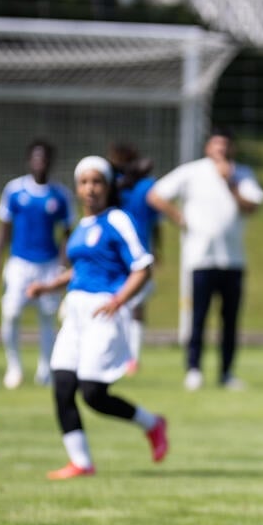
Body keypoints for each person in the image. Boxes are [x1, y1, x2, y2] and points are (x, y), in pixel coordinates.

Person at [25, 156, 168, 480]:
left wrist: (119, 299)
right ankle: (81, 462)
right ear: (77, 188)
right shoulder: (82, 227)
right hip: (75, 313)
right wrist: (48, 286)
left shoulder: (117, 219)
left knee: (93, 394)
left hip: (104, 310)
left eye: (97, 182)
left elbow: (142, 267)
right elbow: (80, 270)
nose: (90, 189)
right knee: (62, 386)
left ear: (108, 187)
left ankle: (152, 423)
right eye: (84, 182)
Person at [147, 127, 263, 391]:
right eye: (216, 144)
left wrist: (230, 183)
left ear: (232, 148)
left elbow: (252, 206)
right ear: (208, 147)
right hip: (199, 258)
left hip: (233, 260)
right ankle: (194, 369)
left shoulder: (242, 174)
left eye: (225, 144)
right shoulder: (192, 172)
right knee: (197, 317)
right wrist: (178, 217)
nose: (220, 149)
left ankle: (226, 373)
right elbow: (155, 195)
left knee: (230, 321)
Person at [0, 139, 74, 390]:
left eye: (44, 158)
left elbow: (67, 233)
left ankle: (45, 370)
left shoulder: (60, 195)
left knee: (47, 317)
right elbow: (4, 226)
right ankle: (14, 368)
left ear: (50, 162)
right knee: (11, 312)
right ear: (29, 161)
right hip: (19, 263)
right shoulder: (15, 190)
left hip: (48, 265)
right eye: (36, 158)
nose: (40, 163)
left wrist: (63, 266)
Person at [108, 142, 158, 376]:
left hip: (135, 251)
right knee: (121, 305)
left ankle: (131, 358)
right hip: (115, 252)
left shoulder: (144, 186)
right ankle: (121, 356)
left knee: (134, 305)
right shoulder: (112, 184)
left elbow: (154, 221)